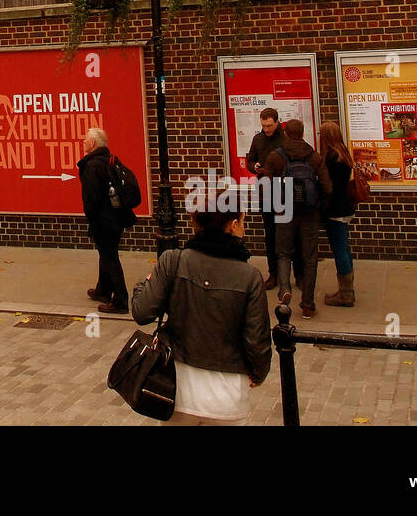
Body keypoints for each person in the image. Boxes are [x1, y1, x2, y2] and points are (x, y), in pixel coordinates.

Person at [131, 205, 272, 425]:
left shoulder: (173, 261)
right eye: (243, 222)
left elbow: (142, 311)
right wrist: (258, 373)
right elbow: (257, 340)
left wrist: (145, 283)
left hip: (176, 389)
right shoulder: (250, 277)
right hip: (227, 395)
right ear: (234, 226)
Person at [265, 119, 332, 318]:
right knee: (310, 258)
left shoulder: (276, 157)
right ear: (303, 133)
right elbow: (327, 188)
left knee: (283, 253)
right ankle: (308, 305)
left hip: (284, 211)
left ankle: (285, 289)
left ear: (285, 133)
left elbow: (266, 186)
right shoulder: (314, 157)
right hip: (310, 213)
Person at [76, 126, 135, 314]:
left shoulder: (92, 166)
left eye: (86, 139)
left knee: (110, 257)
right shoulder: (108, 161)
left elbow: (90, 199)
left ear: (92, 144)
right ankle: (103, 290)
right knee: (106, 252)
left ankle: (120, 300)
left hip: (104, 220)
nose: (83, 142)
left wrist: (93, 221)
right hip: (116, 217)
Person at [244, 107, 293, 290]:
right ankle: (273, 274)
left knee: (289, 233)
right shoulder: (258, 139)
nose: (267, 129)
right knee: (270, 233)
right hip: (266, 190)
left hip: (285, 189)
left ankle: (298, 274)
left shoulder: (286, 138)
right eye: (264, 126)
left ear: (277, 122)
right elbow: (250, 159)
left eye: (270, 125)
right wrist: (253, 166)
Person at [318, 120, 357, 308]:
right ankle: (348, 289)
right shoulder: (344, 154)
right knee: (344, 247)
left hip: (335, 209)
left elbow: (329, 188)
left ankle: (345, 293)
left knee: (339, 248)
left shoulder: (331, 158)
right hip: (346, 207)